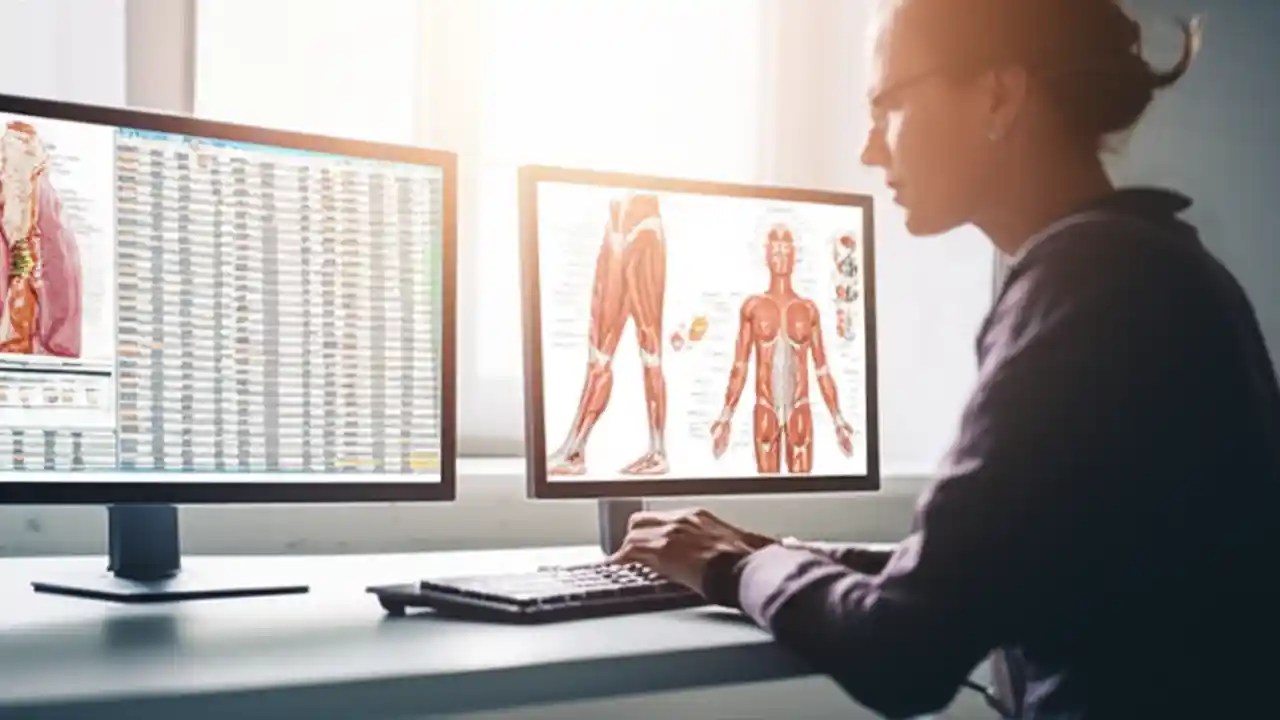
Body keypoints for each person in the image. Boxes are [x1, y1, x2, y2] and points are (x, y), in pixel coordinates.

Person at [610, 0, 1279, 717]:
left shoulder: (1085, 289)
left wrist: (730, 566)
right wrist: (788, 554)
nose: (871, 148)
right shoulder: (1161, 265)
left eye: (889, 102)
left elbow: (905, 651)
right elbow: (999, 574)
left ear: (999, 93)